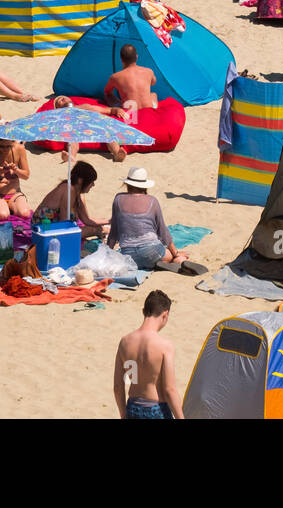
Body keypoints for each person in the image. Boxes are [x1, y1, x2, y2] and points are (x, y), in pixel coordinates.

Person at [107, 168, 198, 272]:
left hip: (128, 254)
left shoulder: (118, 199)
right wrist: (175, 253)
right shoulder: (152, 201)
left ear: (127, 184)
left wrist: (108, 253)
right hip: (152, 251)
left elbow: (114, 231)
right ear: (144, 186)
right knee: (169, 255)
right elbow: (162, 231)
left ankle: (153, 263)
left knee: (132, 258)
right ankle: (176, 261)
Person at [114, 290, 184, 419]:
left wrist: (124, 415)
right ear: (165, 314)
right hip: (157, 410)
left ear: (143, 311)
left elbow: (118, 387)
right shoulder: (164, 346)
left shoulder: (125, 342)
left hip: (132, 407)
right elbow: (169, 390)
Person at [35, 162, 108, 238]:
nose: (93, 185)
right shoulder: (68, 191)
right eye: (91, 182)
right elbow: (64, 224)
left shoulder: (76, 193)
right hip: (43, 228)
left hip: (55, 226)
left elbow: (87, 220)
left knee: (96, 228)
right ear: (80, 181)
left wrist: (109, 221)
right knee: (93, 230)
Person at [0, 134, 32, 221]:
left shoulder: (19, 150)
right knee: (3, 215)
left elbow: (26, 176)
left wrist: (16, 170)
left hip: (15, 194)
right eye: (1, 146)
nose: (4, 150)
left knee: (25, 213)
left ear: (13, 142)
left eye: (8, 146)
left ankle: (7, 207)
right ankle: (1, 207)